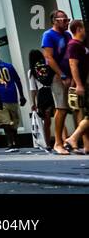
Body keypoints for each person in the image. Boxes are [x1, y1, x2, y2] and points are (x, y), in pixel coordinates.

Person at [43, 10, 74, 151]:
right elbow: (49, 58)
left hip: (70, 75)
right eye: (64, 19)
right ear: (55, 21)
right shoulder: (48, 35)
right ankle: (58, 143)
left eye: (67, 19)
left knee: (73, 108)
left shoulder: (67, 35)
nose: (67, 22)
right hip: (58, 77)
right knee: (61, 108)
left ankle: (72, 141)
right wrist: (62, 75)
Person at [0, 44, 25, 152]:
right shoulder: (9, 66)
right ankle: (16, 142)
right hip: (12, 95)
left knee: (4, 121)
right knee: (14, 120)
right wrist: (21, 95)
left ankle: (10, 143)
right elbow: (18, 80)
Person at [62, 21, 89, 154]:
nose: (85, 30)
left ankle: (87, 146)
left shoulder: (81, 45)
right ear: (79, 29)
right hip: (83, 85)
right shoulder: (73, 45)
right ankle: (73, 138)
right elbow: (73, 65)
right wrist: (78, 84)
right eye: (83, 27)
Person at [27, 48, 55, 152]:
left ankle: (47, 144)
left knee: (46, 121)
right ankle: (61, 141)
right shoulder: (48, 66)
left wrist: (33, 103)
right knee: (58, 116)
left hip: (42, 95)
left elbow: (33, 89)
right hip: (52, 92)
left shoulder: (32, 71)